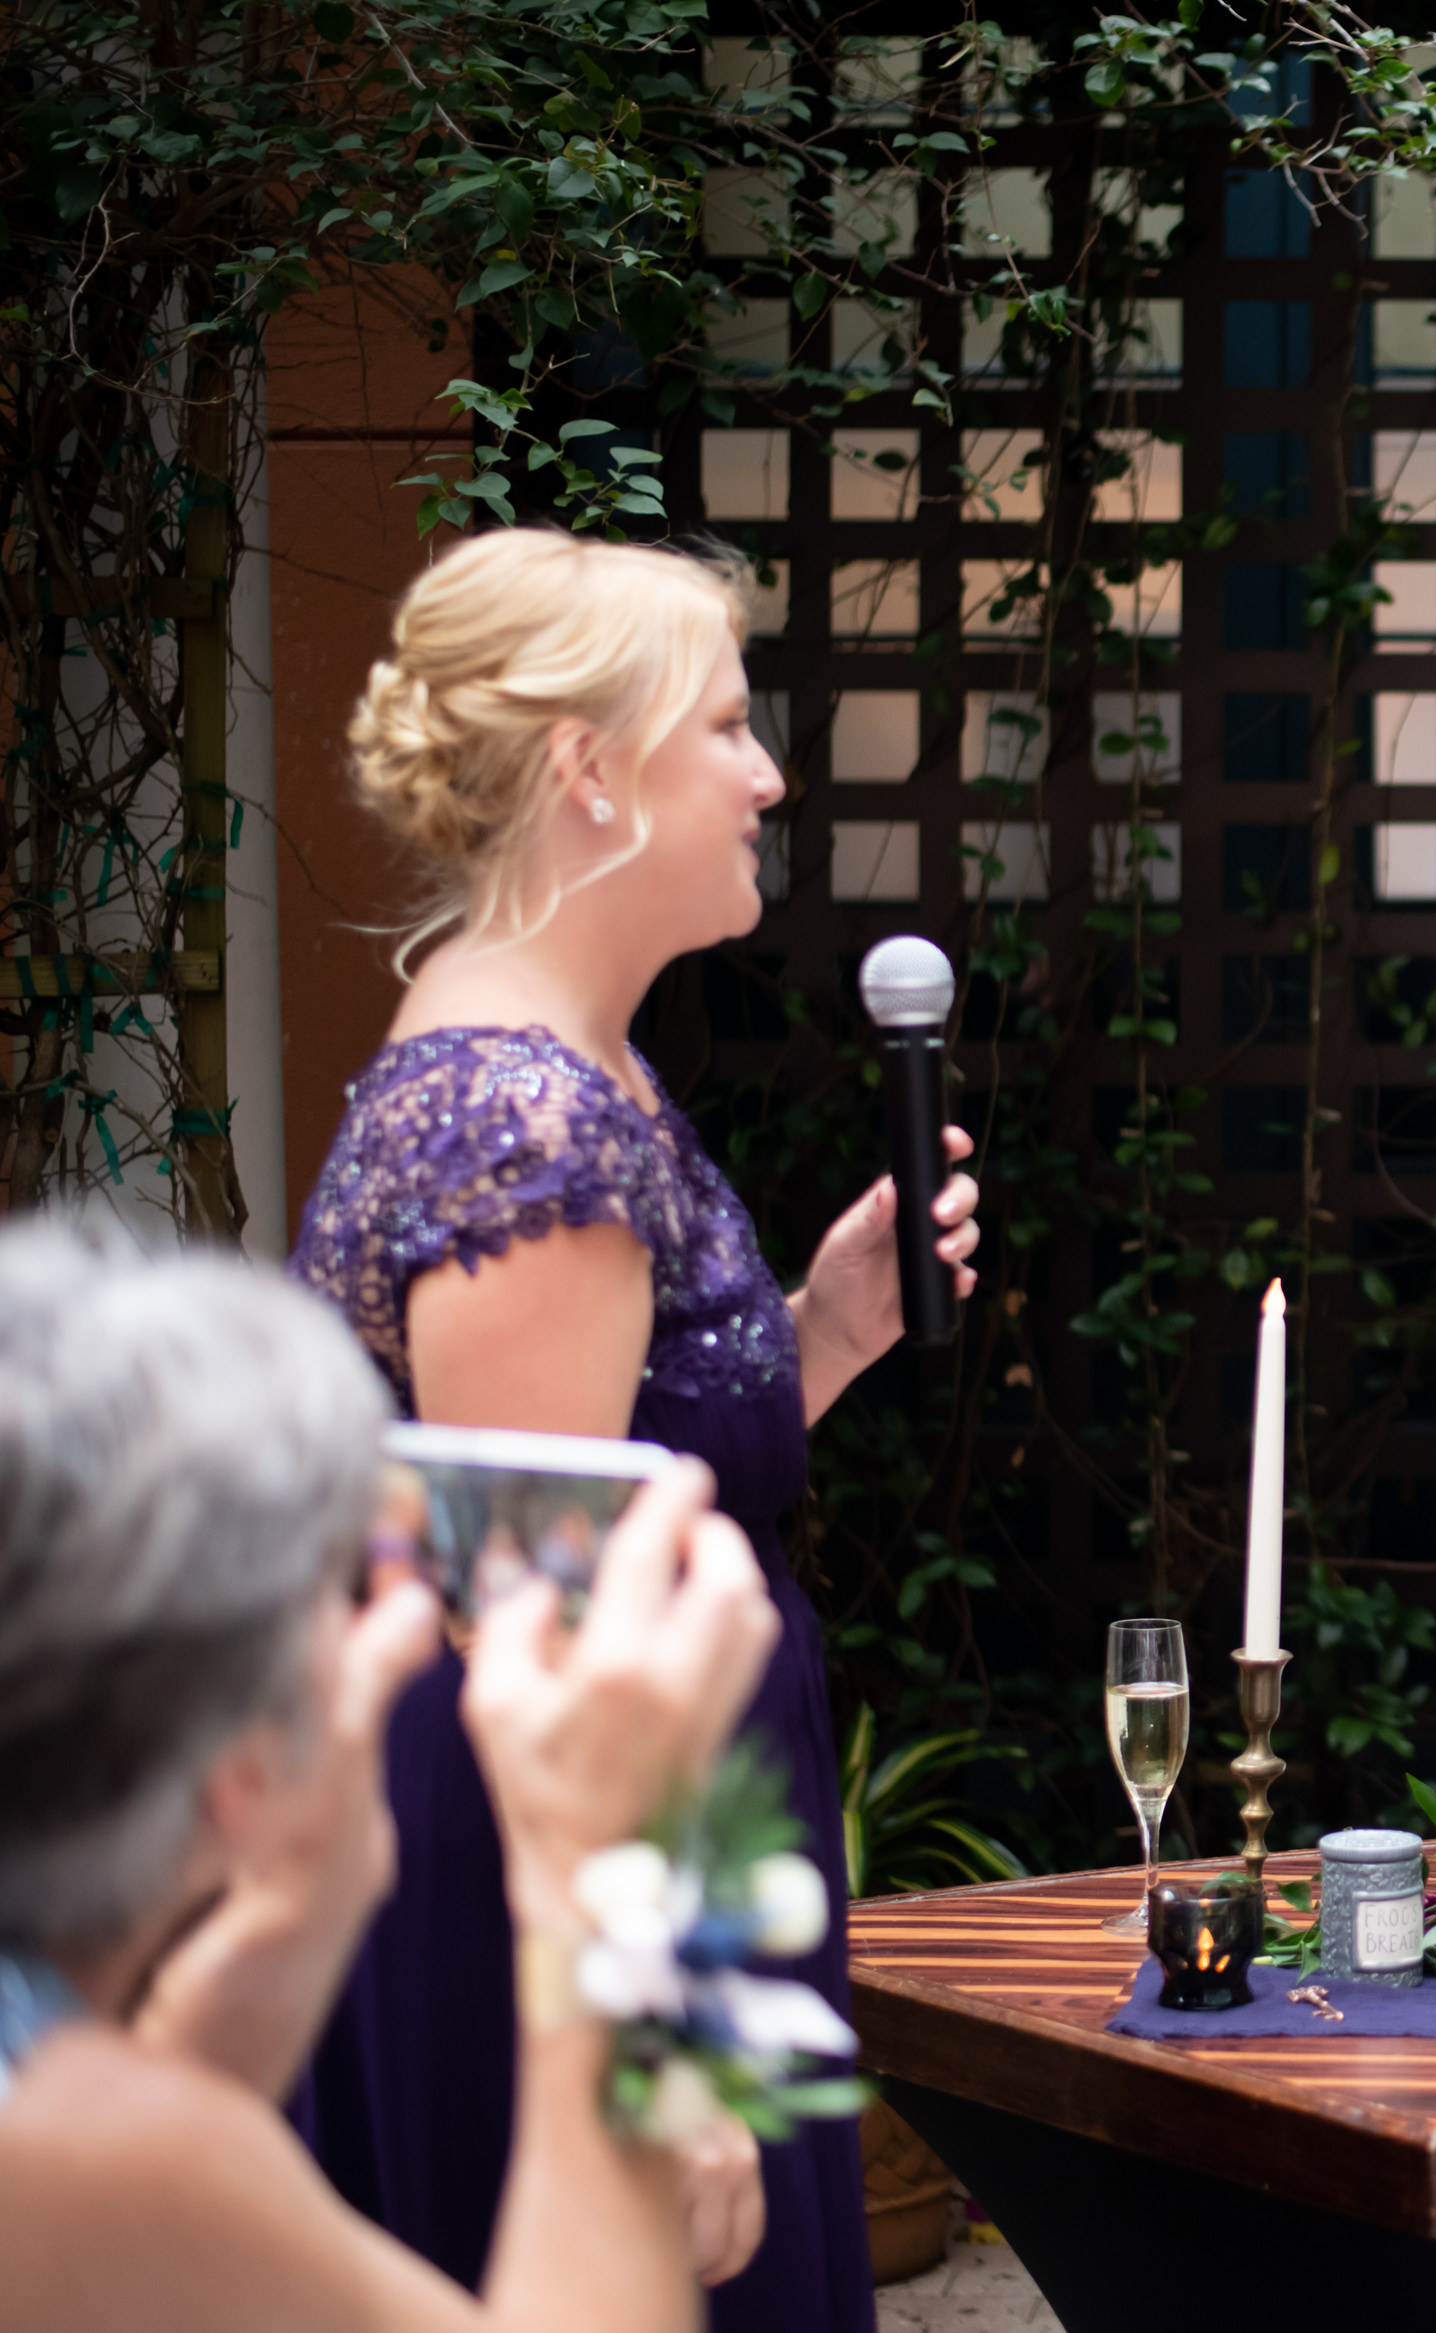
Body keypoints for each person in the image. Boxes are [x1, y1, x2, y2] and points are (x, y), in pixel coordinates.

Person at [287, 530, 981, 2332]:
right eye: (728, 726)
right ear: (590, 767)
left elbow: (633, 1471)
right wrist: (659, 2050)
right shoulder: (529, 1123)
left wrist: (826, 1329)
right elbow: (544, 1620)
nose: (769, 776)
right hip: (576, 1882)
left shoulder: (559, 1061)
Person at [0, 1221, 780, 2329]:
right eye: (345, 1591)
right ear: (235, 1768)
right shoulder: (84, 2148)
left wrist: (267, 1943)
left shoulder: (87, 2127)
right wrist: (599, 1884)